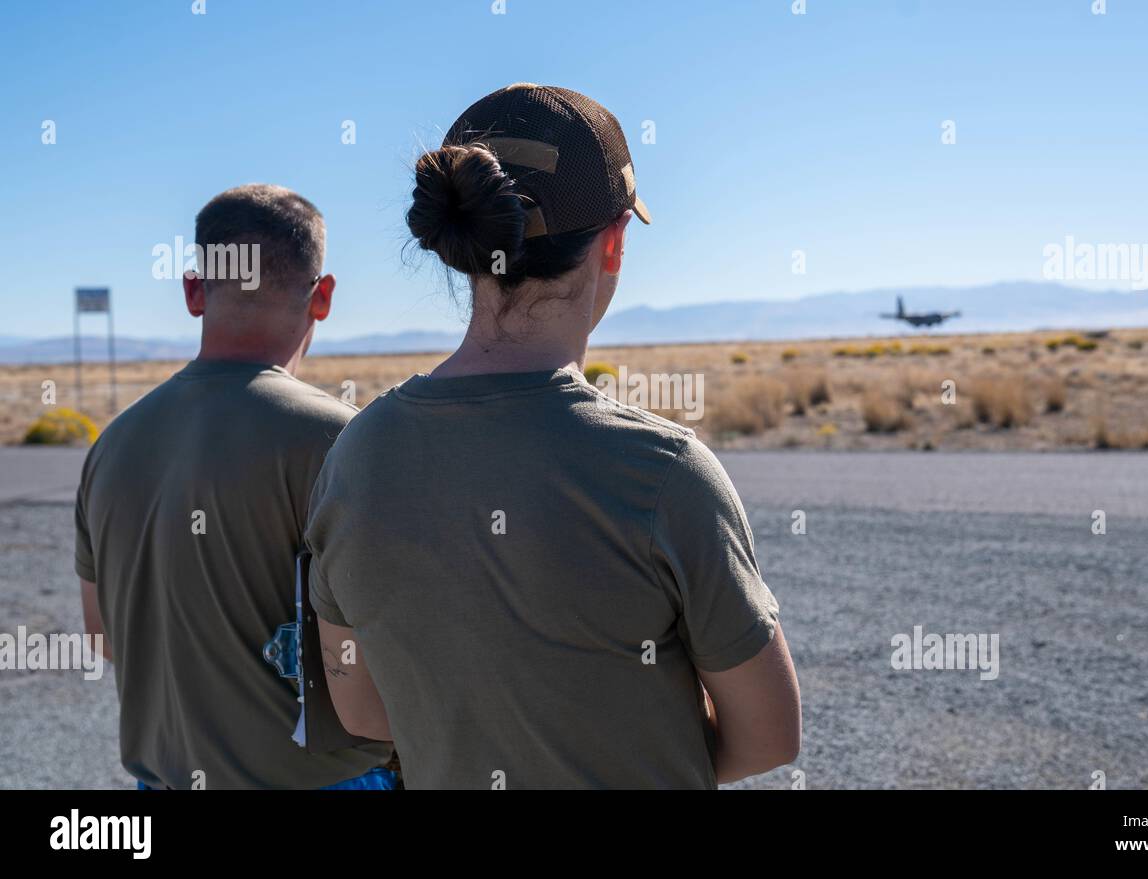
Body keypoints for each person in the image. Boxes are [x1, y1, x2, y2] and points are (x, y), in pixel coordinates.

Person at [307, 84, 800, 789]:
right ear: (614, 243)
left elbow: (362, 709)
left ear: (462, 245)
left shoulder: (356, 455)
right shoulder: (666, 472)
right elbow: (770, 736)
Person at [76, 184, 393, 789]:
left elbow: (104, 636)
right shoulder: (343, 441)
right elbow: (384, 652)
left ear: (194, 291)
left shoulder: (112, 443)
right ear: (322, 297)